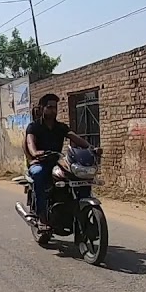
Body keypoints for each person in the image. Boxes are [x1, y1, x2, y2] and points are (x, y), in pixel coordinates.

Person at [24, 93, 96, 229]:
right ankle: (42, 217)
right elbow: (30, 143)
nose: (53, 110)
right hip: (39, 162)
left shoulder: (60, 127)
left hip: (57, 161)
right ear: (42, 108)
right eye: (49, 107)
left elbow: (75, 137)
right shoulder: (34, 127)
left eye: (55, 107)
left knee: (77, 177)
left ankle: (81, 211)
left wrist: (91, 148)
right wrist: (35, 153)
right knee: (39, 175)